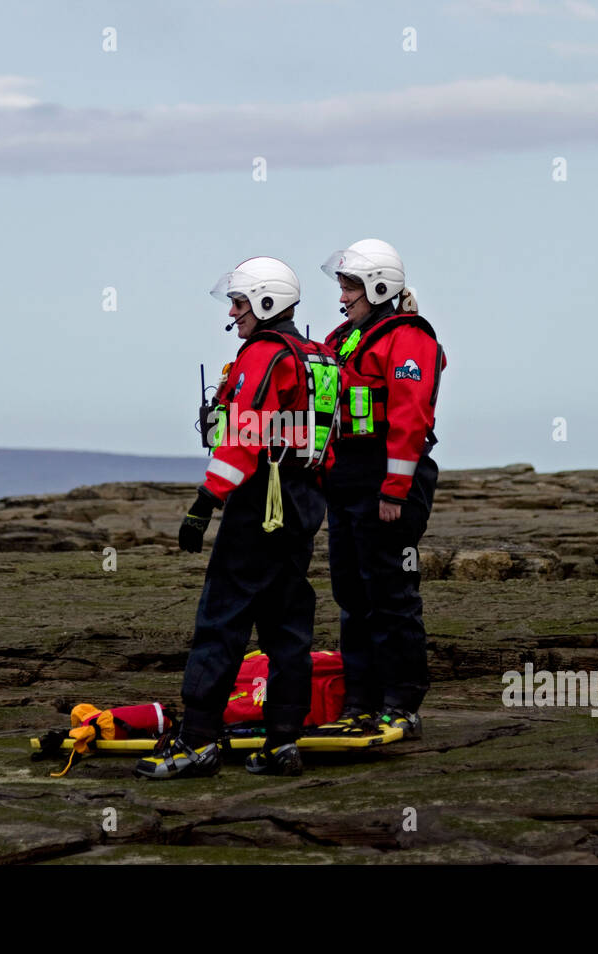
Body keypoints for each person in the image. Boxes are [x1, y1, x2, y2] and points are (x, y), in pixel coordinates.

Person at [134, 257, 339, 780]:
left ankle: (197, 739)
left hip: (257, 509)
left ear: (266, 302)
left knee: (221, 620)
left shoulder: (264, 357)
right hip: (301, 507)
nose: (233, 314)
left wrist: (204, 503)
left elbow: (242, 440)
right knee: (287, 626)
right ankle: (283, 741)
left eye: (240, 303)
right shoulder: (314, 356)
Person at [315, 239, 445, 739]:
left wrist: (394, 491)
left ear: (378, 287)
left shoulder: (408, 340)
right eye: (342, 285)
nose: (343, 296)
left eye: (350, 286)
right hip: (345, 481)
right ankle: (359, 700)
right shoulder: (344, 337)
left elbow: (410, 419)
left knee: (391, 594)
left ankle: (401, 702)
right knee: (351, 594)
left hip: (387, 484)